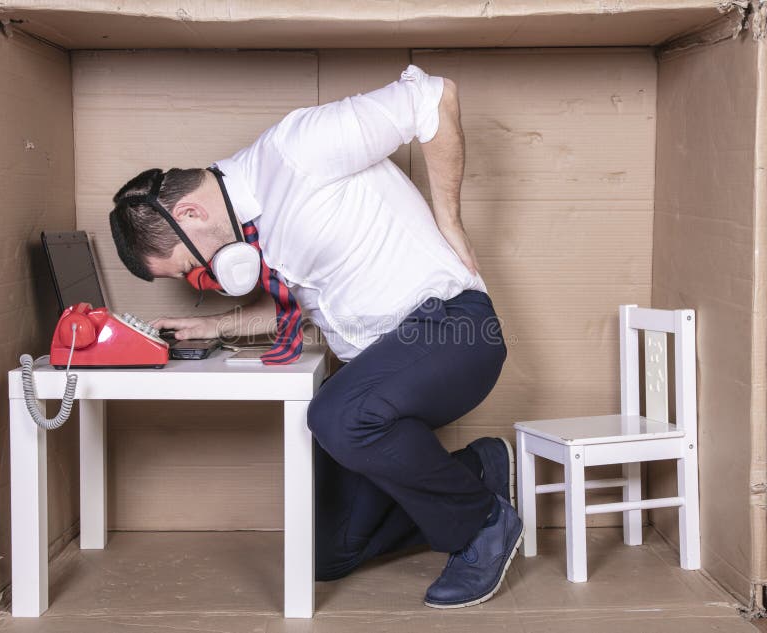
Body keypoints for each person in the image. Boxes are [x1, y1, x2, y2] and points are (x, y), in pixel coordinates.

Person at [107, 64, 523, 608]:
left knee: (333, 415)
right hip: (381, 370)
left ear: (189, 212)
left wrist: (451, 221)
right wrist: (215, 326)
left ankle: (482, 522)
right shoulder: (254, 230)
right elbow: (293, 306)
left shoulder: (295, 149)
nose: (203, 278)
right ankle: (478, 471)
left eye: (191, 265)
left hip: (454, 330)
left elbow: (433, 97)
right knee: (328, 551)